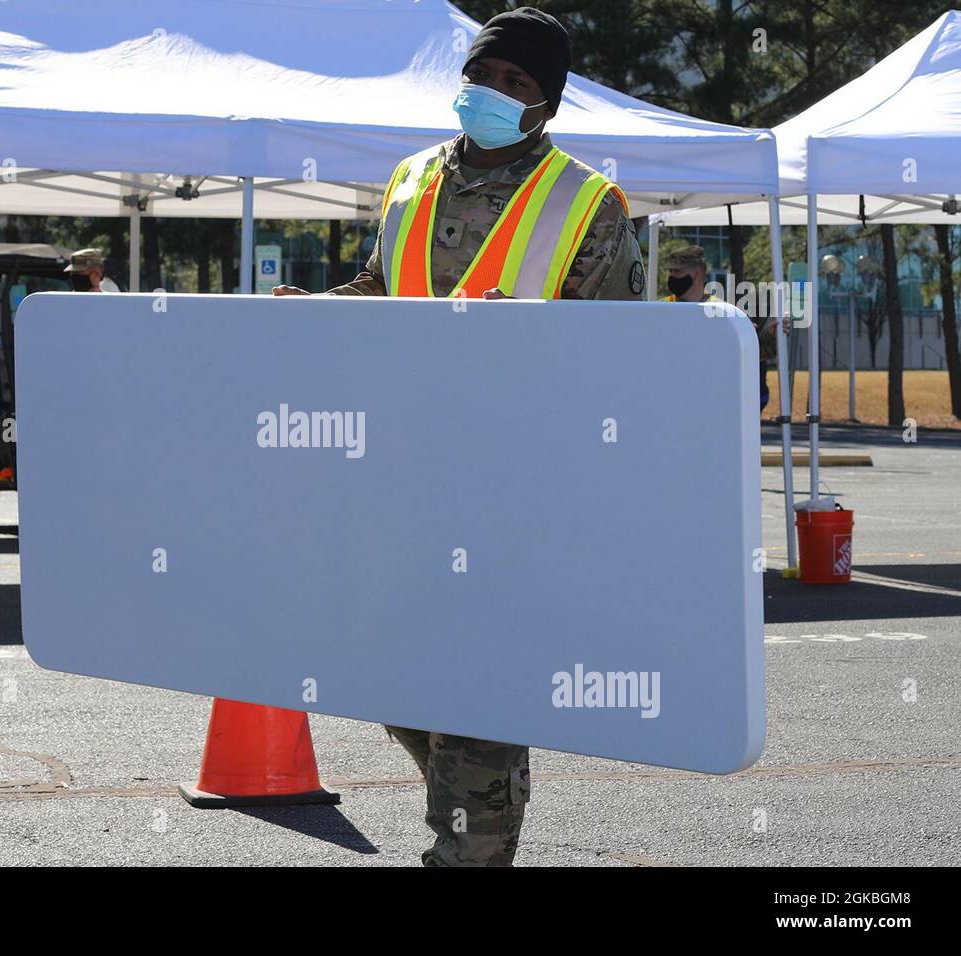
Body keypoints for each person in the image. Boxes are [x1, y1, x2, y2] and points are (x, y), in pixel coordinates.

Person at [274, 7, 645, 866]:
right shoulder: (410, 178)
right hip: (398, 475)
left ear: (545, 108)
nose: (493, 93)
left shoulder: (590, 202)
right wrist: (313, 313)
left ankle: (469, 842)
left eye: (518, 85)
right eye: (485, 76)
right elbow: (382, 285)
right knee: (391, 673)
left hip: (510, 486)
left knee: (476, 683)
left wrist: (528, 333)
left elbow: (624, 349)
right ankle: (473, 797)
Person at [662, 245, 774, 410]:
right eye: (670, 272)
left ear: (697, 273)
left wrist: (768, 337)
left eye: (677, 272)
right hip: (671, 397)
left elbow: (744, 357)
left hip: (710, 401)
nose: (672, 277)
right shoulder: (660, 308)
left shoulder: (724, 313)